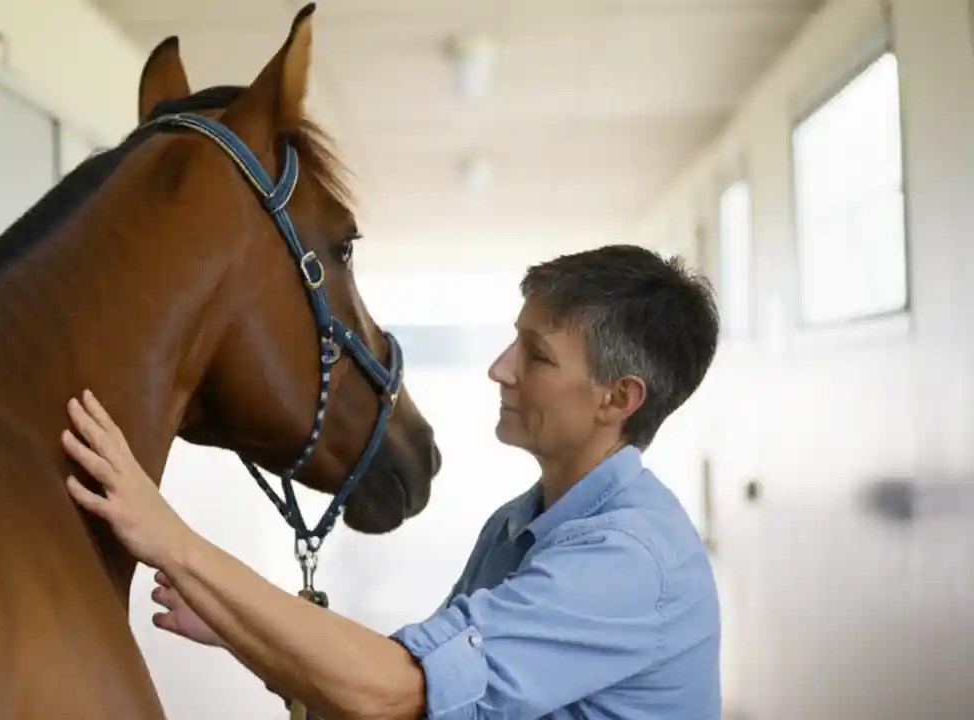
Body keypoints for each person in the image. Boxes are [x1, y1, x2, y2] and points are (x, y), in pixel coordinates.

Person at [61, 244, 722, 719]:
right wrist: (239, 623)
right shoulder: (519, 526)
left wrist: (171, 538)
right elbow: (408, 696)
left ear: (618, 399)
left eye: (537, 355)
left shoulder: (628, 560)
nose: (501, 368)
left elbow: (395, 693)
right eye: (513, 342)